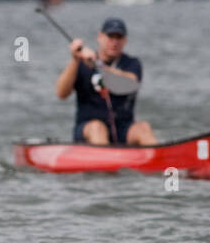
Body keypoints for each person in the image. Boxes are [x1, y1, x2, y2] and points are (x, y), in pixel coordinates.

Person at [55, 17, 156, 146]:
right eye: (110, 37)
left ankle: (165, 163)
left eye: (118, 37)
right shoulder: (81, 63)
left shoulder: (132, 63)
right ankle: (105, 164)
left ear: (125, 40)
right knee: (98, 128)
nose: (114, 42)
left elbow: (131, 82)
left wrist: (99, 66)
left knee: (143, 127)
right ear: (100, 37)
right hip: (89, 129)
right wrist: (75, 60)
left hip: (123, 129)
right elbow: (61, 93)